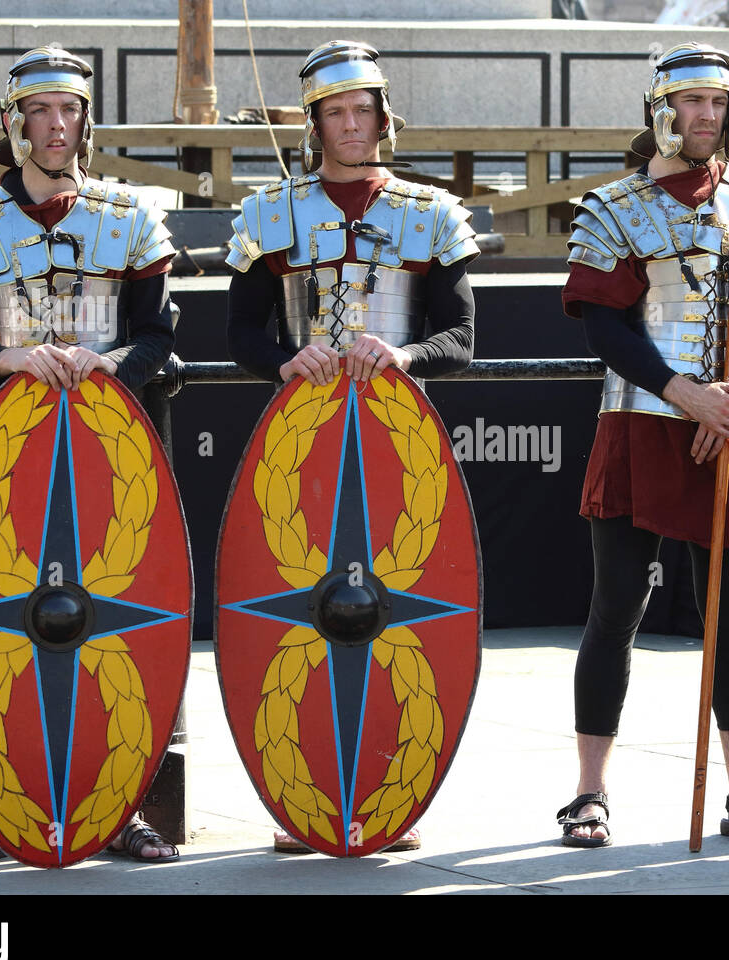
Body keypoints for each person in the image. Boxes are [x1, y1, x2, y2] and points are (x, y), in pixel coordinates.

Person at [0, 45, 180, 864]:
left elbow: (157, 337)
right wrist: (13, 360)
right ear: (15, 124)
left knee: (119, 628)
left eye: (69, 110)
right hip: (7, 467)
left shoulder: (129, 217)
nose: (57, 125)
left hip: (114, 460)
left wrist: (111, 368)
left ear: (86, 121)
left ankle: (124, 808)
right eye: (41, 111)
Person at [224, 39, 478, 854]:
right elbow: (240, 333)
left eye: (363, 109)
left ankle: (389, 797)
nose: (352, 125)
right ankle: (304, 804)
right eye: (335, 112)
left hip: (407, 454)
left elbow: (464, 335)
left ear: (383, 116)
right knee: (301, 618)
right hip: (297, 451)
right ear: (313, 124)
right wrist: (282, 357)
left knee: (400, 620)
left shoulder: (430, 212)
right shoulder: (271, 213)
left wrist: (406, 356)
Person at [557, 43, 729, 848]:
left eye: (718, 104)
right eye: (693, 102)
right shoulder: (616, 206)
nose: (707, 117)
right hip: (639, 419)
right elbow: (605, 326)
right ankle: (590, 791)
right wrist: (685, 392)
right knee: (616, 608)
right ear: (662, 111)